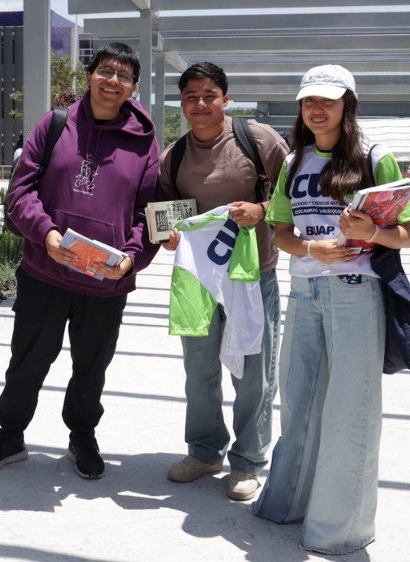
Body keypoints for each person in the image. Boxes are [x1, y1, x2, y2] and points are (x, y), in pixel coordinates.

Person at [0, 42, 161, 480]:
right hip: (45, 271)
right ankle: (10, 435)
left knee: (92, 367)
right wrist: (46, 233)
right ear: (89, 75)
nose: (113, 81)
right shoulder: (55, 124)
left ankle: (82, 437)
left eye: (124, 76)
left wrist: (131, 260)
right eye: (105, 71)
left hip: (105, 283)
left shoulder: (145, 143)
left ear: (133, 87)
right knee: (27, 360)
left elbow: (149, 213)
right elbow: (19, 190)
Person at [252, 64, 410, 555]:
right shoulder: (293, 161)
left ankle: (339, 528)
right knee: (297, 400)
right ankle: (287, 503)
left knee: (350, 409)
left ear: (348, 104)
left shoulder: (375, 157)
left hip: (355, 292)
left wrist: (372, 234)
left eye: (327, 100)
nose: (316, 109)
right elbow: (280, 231)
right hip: (304, 291)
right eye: (308, 101)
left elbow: (405, 232)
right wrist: (309, 249)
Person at [157, 62, 288, 501]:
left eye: (208, 95)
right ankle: (205, 451)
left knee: (254, 373)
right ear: (182, 102)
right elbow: (165, 212)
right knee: (199, 371)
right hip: (197, 280)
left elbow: (294, 195)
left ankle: (248, 460)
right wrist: (169, 237)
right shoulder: (173, 155)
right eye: (190, 96)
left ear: (225, 99)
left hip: (252, 277)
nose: (199, 104)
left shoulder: (259, 140)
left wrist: (263, 211)